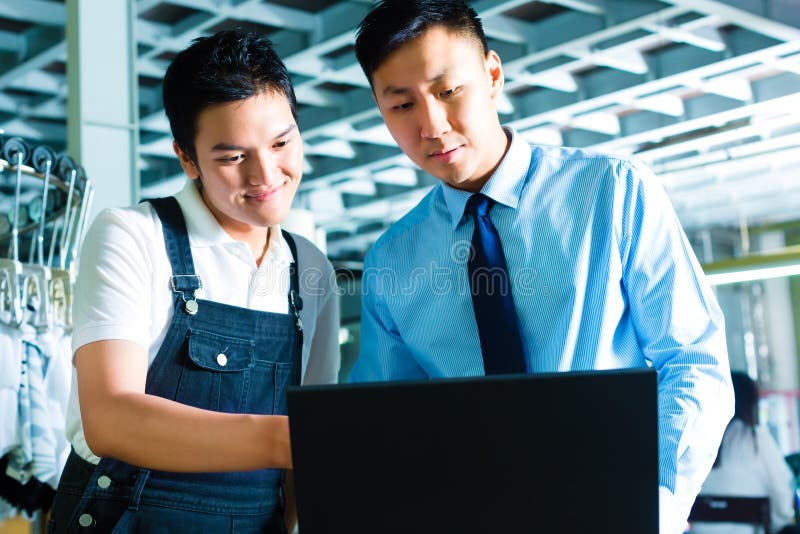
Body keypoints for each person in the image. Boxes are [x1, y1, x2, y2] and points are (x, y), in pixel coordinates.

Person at [346, 1, 734, 532]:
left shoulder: (613, 192)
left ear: (492, 74)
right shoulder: (392, 261)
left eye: (447, 91)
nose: (432, 125)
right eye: (401, 105)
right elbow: (389, 421)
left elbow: (694, 362)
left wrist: (649, 504)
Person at [48, 30, 340, 533]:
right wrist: (282, 439)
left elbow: (303, 468)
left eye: (281, 142)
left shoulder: (311, 268)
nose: (265, 174)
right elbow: (110, 418)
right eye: (233, 158)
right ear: (188, 158)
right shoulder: (133, 236)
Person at [691, 372, 797, 534]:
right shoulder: (755, 439)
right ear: (751, 403)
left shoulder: (699, 438)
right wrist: (781, 521)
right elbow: (783, 495)